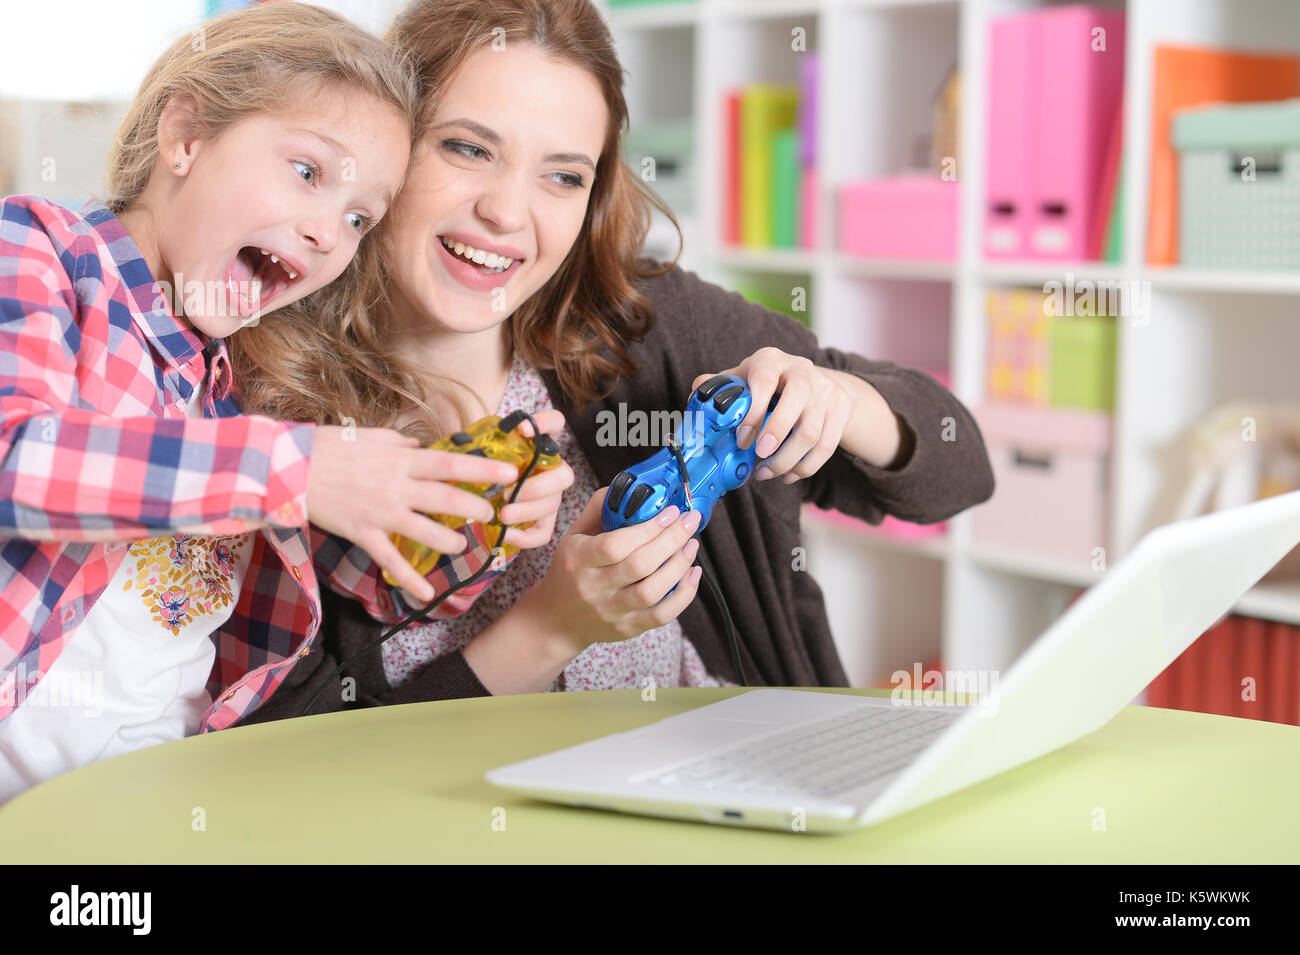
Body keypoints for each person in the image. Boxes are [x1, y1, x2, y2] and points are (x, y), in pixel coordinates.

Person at [232, 0, 994, 721]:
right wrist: (551, 628)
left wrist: (839, 401)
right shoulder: (269, 414)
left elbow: (960, 471)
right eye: (468, 148)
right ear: (389, 143)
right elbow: (309, 760)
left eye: (563, 175)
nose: (507, 212)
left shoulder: (643, 325)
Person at [0, 2, 534, 803]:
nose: (329, 232)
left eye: (360, 217)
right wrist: (296, 467)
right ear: (186, 134)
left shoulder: (233, 389)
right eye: (309, 171)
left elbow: (372, 584)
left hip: (155, 799)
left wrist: (479, 512)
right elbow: (20, 459)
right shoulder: (38, 251)